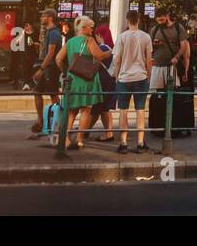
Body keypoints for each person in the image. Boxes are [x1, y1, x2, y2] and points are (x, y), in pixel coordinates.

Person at [55, 15, 109, 150]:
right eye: (91, 27)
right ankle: (79, 139)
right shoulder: (89, 40)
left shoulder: (70, 41)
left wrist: (66, 71)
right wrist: (110, 51)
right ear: (84, 28)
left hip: (72, 80)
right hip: (86, 80)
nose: (92, 30)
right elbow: (99, 56)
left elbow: (58, 58)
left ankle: (65, 139)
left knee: (71, 110)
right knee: (86, 110)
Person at [109, 9, 152, 153]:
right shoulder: (146, 37)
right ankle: (140, 143)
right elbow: (149, 60)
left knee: (123, 111)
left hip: (124, 78)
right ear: (138, 20)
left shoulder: (121, 37)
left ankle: (123, 143)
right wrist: (148, 76)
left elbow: (118, 59)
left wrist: (116, 75)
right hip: (141, 76)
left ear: (127, 21)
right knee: (140, 111)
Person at [30, 10, 62, 139]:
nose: (41, 17)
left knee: (53, 94)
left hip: (50, 68)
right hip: (48, 68)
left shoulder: (54, 33)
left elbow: (51, 53)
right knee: (39, 92)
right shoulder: (50, 32)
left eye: (43, 15)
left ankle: (59, 123)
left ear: (50, 17)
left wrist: (41, 69)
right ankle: (42, 121)